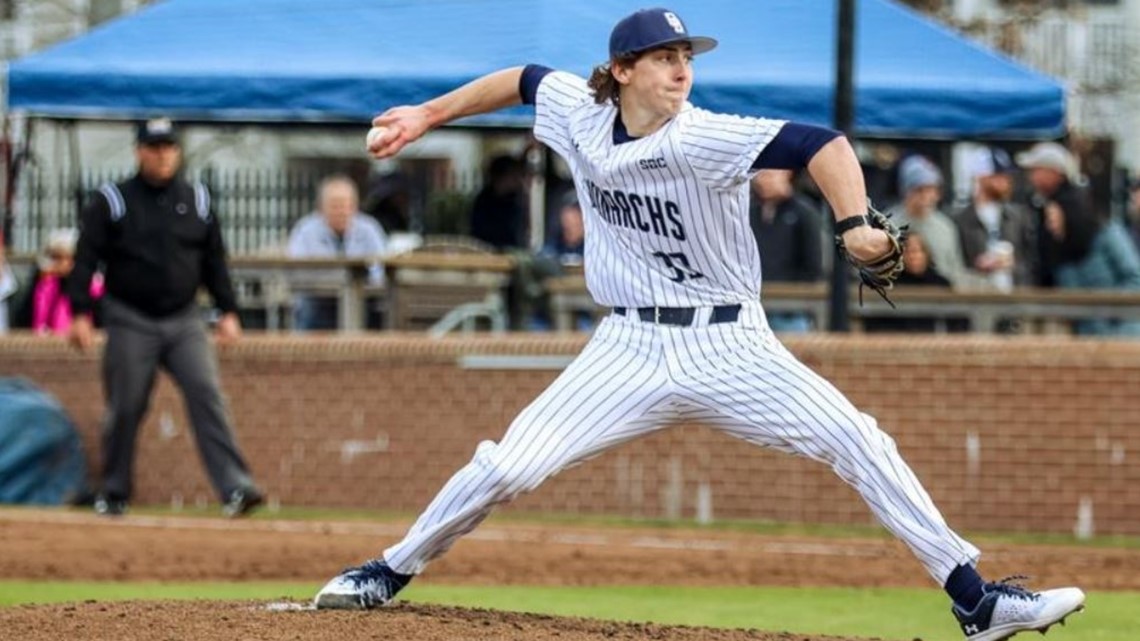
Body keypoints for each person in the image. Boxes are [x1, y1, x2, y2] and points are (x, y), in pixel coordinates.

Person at [314, 9, 1085, 640]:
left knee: (858, 438)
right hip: (629, 344)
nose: (681, 68)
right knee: (510, 465)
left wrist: (853, 221)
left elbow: (822, 143)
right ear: (622, 71)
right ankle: (389, 568)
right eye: (662, 56)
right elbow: (521, 78)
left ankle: (975, 598)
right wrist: (426, 113)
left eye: (686, 54)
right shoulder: (579, 114)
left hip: (731, 343)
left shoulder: (703, 134)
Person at [67, 117, 263, 518]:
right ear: (139, 151)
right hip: (129, 316)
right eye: (154, 147)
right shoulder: (113, 200)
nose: (163, 155)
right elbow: (86, 259)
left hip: (184, 317)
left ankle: (235, 487)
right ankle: (114, 490)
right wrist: (80, 313)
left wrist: (228, 310)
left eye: (169, 147)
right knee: (126, 404)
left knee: (206, 394)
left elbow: (213, 261)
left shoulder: (197, 200)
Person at [287, 175, 387, 330]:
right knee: (308, 307)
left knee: (378, 311)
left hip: (362, 298)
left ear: (355, 206)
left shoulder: (369, 229)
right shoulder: (305, 231)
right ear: (321, 207)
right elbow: (296, 269)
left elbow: (381, 267)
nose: (341, 211)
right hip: (318, 299)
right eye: (335, 205)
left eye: (346, 205)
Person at [889, 155, 981, 290]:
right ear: (906, 191)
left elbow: (955, 270)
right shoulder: (888, 225)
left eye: (932, 190)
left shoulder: (945, 227)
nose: (927, 196)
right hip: (896, 298)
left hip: (940, 299)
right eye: (920, 190)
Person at [1015, 142, 1100, 287]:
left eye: (1036, 170)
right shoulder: (1044, 201)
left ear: (1054, 172)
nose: (1031, 177)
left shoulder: (1069, 203)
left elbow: (1078, 245)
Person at [953, 146, 1037, 291]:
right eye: (1000, 176)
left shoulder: (1019, 216)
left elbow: (1032, 259)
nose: (1007, 182)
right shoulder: (961, 219)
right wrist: (977, 266)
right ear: (983, 178)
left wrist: (1014, 264)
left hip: (1015, 295)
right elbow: (956, 264)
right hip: (977, 294)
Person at [748, 169, 822, 332]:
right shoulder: (749, 211)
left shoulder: (804, 212)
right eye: (759, 175)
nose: (763, 180)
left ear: (787, 173)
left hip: (791, 309)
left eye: (769, 174)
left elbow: (814, 263)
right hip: (753, 307)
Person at [32, 228, 104, 336]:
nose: (64, 264)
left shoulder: (94, 287)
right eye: (57, 258)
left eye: (70, 258)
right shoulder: (46, 286)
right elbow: (39, 323)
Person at [470, 154, 528, 251]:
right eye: (515, 175)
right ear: (502, 176)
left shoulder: (515, 200)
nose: (519, 180)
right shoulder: (484, 201)